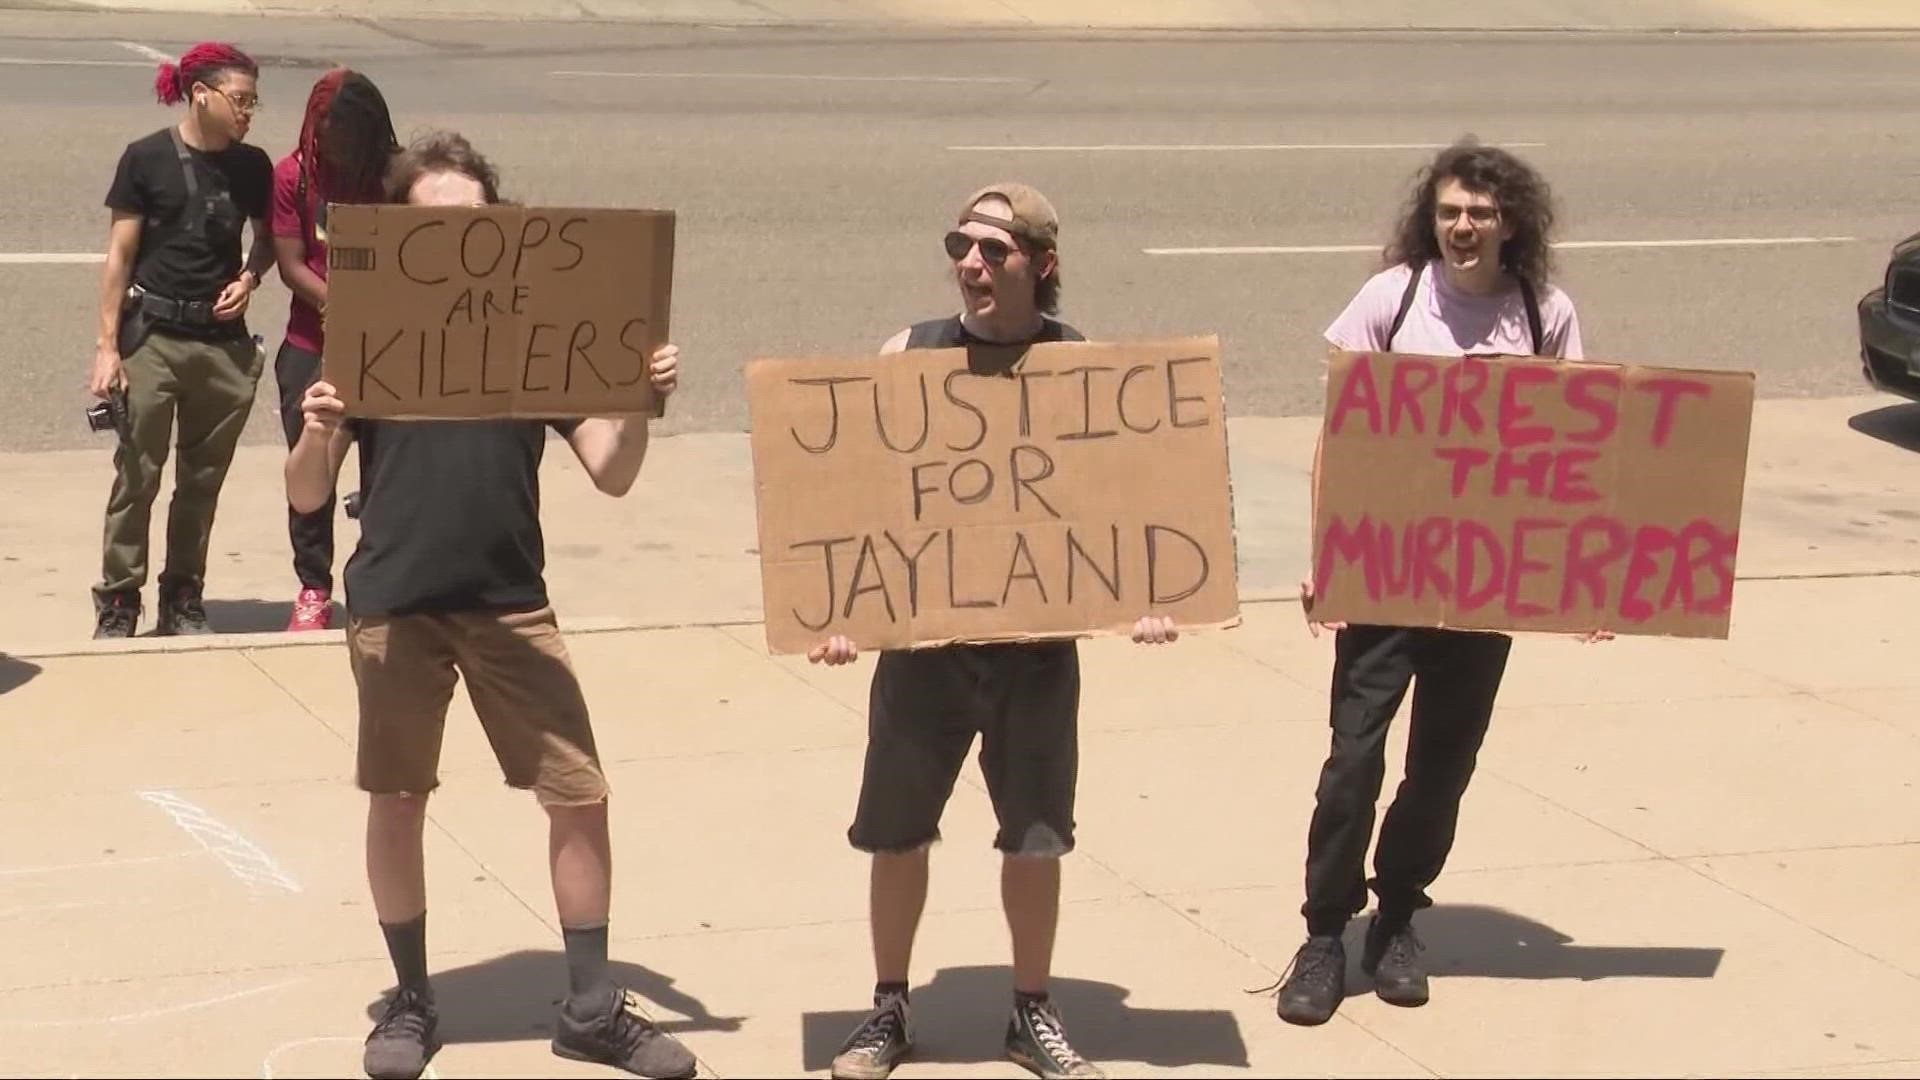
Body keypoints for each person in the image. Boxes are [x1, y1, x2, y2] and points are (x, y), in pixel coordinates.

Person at [284, 131, 695, 1080]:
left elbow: (611, 471)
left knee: (578, 793)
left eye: (473, 223)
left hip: (512, 600)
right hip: (395, 600)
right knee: (397, 797)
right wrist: (319, 429)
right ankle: (412, 999)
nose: (457, 242)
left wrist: (633, 398)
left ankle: (590, 1006)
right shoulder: (372, 342)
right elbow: (308, 495)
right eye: (434, 226)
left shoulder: (535, 338)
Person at [812, 182, 1180, 1080]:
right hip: (925, 655)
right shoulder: (910, 354)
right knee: (896, 833)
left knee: (1036, 836)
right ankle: (889, 1009)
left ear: (1040, 266)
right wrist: (841, 615)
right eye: (960, 246)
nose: (970, 264)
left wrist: (1147, 594)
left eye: (994, 250)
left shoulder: (1079, 366)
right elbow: (859, 494)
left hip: (1035, 655)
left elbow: (1118, 502)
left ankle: (1031, 1012)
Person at [1278, 138, 1604, 1026]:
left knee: (1441, 766)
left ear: (1511, 225)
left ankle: (1397, 918)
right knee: (1353, 760)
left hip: (1484, 584)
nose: (1464, 226)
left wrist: (1585, 581)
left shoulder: (1544, 314)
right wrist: (1326, 554)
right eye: (1451, 211)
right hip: (1386, 573)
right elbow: (1340, 434)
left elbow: (1576, 451)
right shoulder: (1396, 298)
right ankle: (1322, 933)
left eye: (1482, 213)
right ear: (1433, 217)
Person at [90, 42, 275, 638]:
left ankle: (183, 595)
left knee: (201, 481)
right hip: (154, 339)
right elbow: (119, 256)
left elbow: (269, 239)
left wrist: (249, 278)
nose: (248, 111)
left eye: (253, 101)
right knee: (137, 476)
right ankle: (120, 599)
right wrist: (107, 346)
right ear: (202, 95)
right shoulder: (144, 159)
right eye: (240, 99)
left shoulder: (252, 166)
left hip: (222, 345)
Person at [271, 67, 399, 631]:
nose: (335, 148)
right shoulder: (293, 176)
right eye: (326, 135)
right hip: (312, 344)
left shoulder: (395, 178)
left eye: (347, 138)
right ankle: (313, 587)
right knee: (311, 471)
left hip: (388, 348)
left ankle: (382, 579)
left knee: (390, 470)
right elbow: (291, 263)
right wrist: (338, 303)